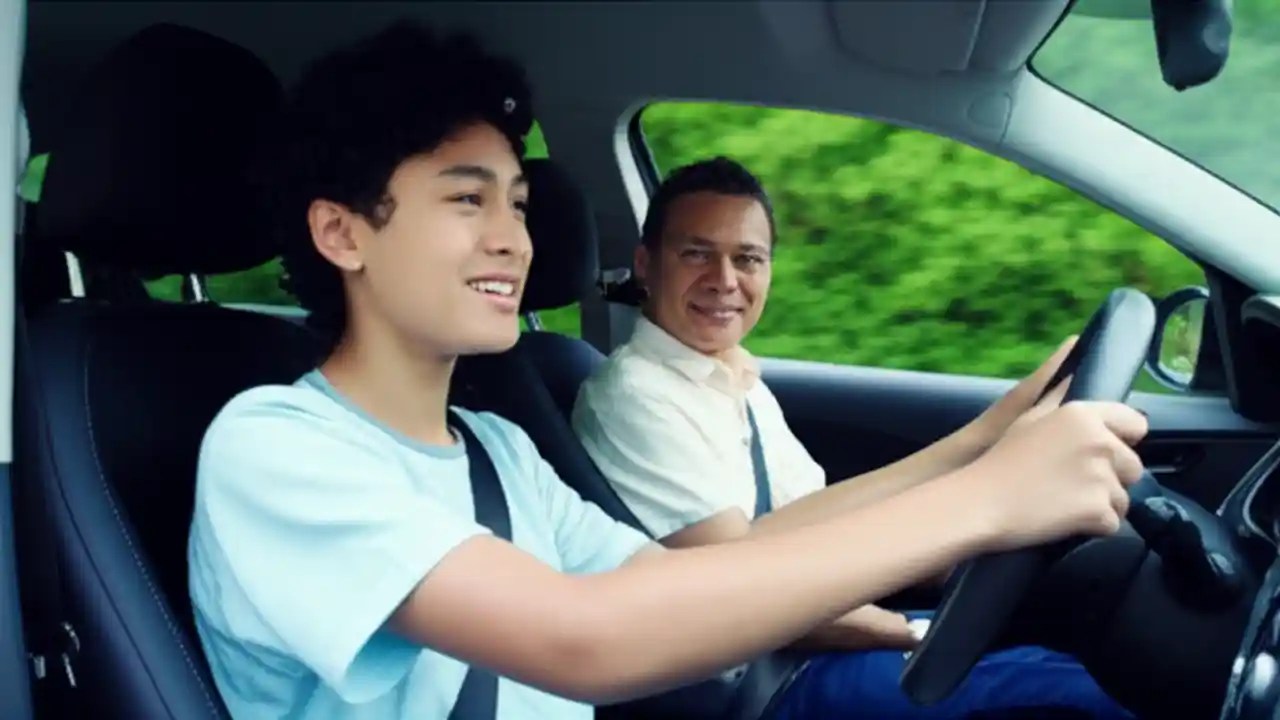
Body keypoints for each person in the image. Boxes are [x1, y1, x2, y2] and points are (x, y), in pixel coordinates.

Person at [188, 21, 1147, 720]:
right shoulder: (273, 448)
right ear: (341, 231)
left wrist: (985, 450)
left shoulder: (500, 452)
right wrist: (985, 501)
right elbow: (587, 636)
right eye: (465, 199)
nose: (512, 239)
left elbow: (707, 575)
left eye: (518, 204)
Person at [571, 156, 1132, 718]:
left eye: (748, 258)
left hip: (799, 652)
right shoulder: (634, 394)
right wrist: (907, 630)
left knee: (1076, 668)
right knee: (1077, 699)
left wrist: (977, 474)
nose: (725, 280)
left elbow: (820, 524)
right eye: (696, 254)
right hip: (761, 688)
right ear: (646, 265)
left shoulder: (734, 380)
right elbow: (737, 585)